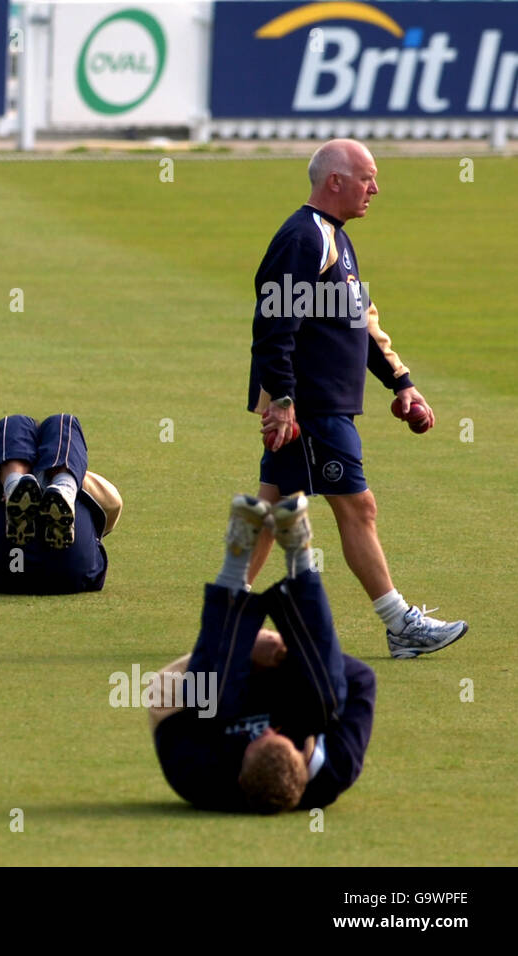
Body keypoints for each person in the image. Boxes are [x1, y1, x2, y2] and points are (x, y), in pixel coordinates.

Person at [247, 138, 466, 658]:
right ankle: (400, 624)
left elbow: (357, 321)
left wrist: (401, 382)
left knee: (271, 506)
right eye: (367, 177)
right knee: (359, 508)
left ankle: (225, 615)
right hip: (313, 409)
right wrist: (282, 399)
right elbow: (273, 325)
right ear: (335, 182)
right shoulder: (304, 238)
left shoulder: (335, 238)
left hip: (319, 405)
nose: (376, 187)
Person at [150, 492, 375, 813]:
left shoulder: (198, 778)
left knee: (207, 701)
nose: (268, 729)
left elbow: (162, 693)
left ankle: (237, 558)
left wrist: (246, 647)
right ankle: (299, 550)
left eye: (258, 739)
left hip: (224, 684)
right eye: (281, 738)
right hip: (293, 684)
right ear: (304, 758)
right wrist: (284, 652)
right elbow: (361, 678)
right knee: (330, 700)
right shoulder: (333, 770)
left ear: (239, 776)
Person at [0, 413, 121, 594]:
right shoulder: (84, 483)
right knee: (64, 422)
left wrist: (2, 481)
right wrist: (74, 478)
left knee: (14, 423)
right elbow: (113, 504)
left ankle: (14, 483)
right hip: (73, 572)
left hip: (3, 572)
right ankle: (65, 487)